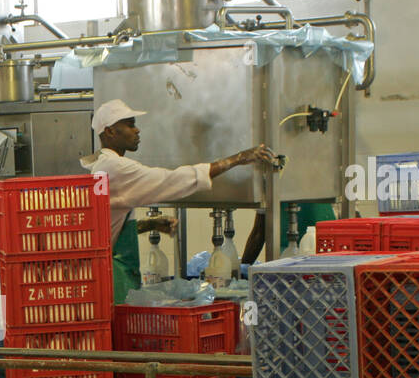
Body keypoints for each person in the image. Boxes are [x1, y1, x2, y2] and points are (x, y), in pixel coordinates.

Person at [80, 98, 276, 303]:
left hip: (107, 273)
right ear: (110, 131)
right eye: (130, 125)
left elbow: (110, 223)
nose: (137, 131)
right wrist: (238, 159)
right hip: (109, 277)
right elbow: (172, 180)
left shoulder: (105, 166)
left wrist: (150, 223)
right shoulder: (116, 168)